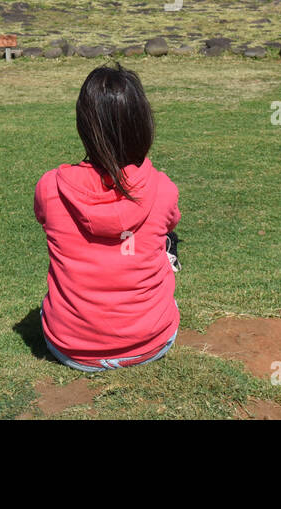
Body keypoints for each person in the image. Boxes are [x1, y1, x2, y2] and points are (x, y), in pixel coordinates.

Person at [34, 63, 181, 372]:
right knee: (167, 246)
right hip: (152, 343)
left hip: (71, 349)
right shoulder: (163, 189)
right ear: (143, 124)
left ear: (84, 125)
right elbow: (169, 224)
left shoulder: (50, 189)